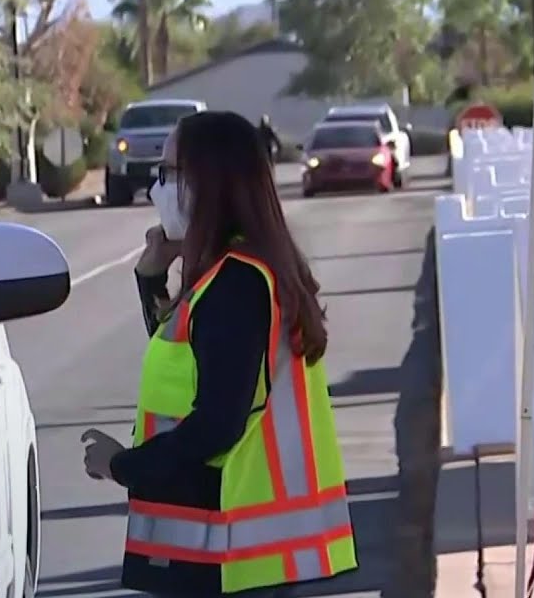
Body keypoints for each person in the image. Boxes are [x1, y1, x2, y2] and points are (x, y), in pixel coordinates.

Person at [81, 110, 357, 596]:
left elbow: (217, 422)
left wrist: (122, 466)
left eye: (167, 174)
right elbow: (188, 362)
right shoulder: (238, 273)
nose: (155, 190)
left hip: (234, 555)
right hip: (236, 553)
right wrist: (151, 278)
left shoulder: (236, 283)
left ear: (208, 183)